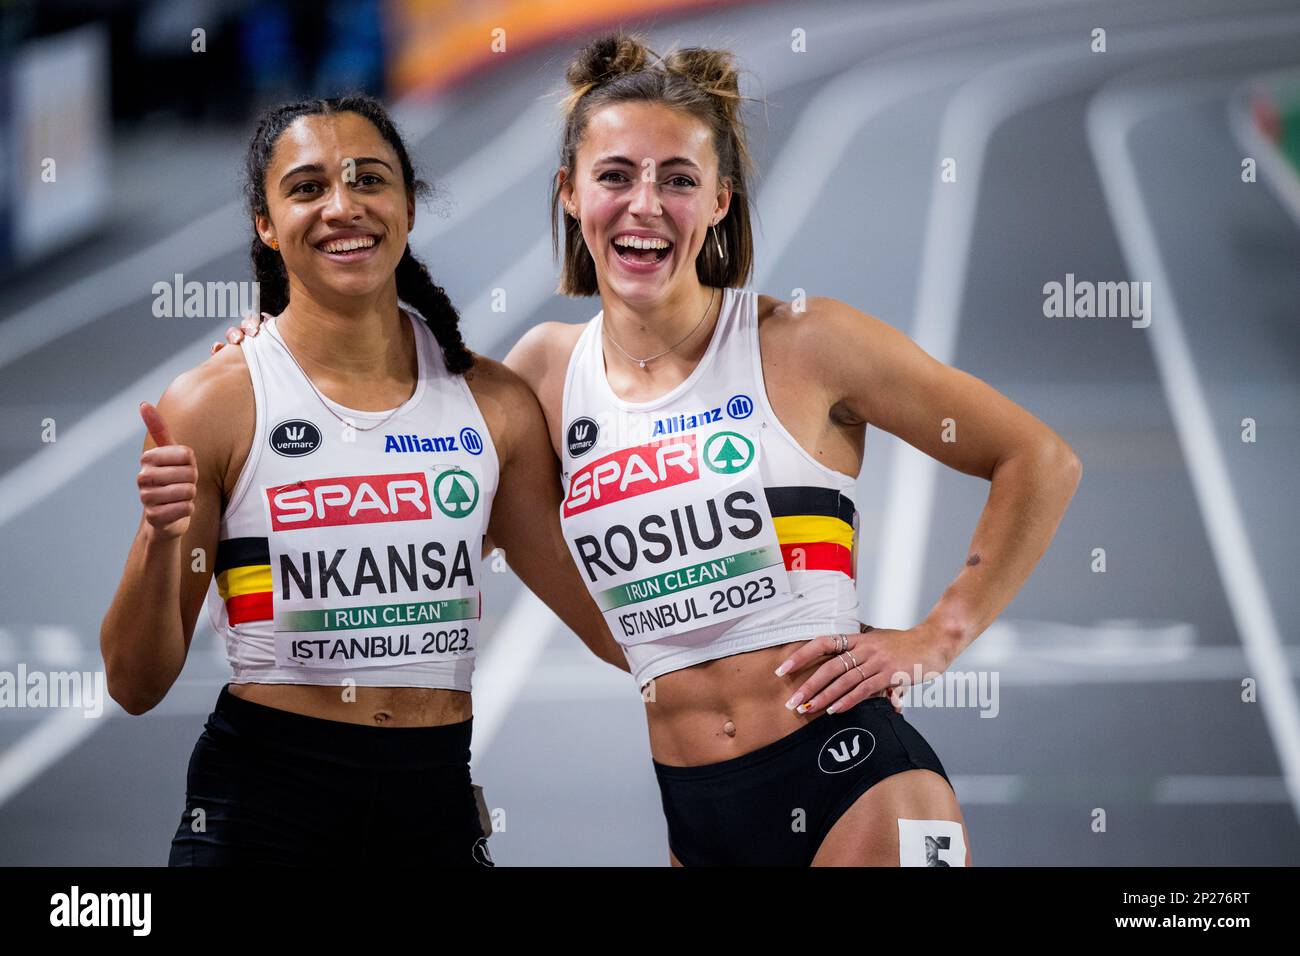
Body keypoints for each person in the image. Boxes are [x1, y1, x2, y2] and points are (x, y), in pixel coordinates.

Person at [506, 34, 1080, 866]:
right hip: (694, 816)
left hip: (861, 790)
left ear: (720, 202)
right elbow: (387, 424)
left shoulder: (807, 344)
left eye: (678, 179)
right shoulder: (543, 375)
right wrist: (261, 347)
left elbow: (1038, 457)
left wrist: (937, 636)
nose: (644, 203)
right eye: (615, 175)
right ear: (569, 192)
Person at [100, 93, 627, 867]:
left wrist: (829, 657)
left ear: (408, 205)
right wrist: (160, 533)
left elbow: (609, 615)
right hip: (262, 811)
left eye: (368, 180)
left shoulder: (492, 405)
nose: (342, 208)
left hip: (433, 800)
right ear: (265, 223)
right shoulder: (215, 403)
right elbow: (134, 684)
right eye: (307, 188)